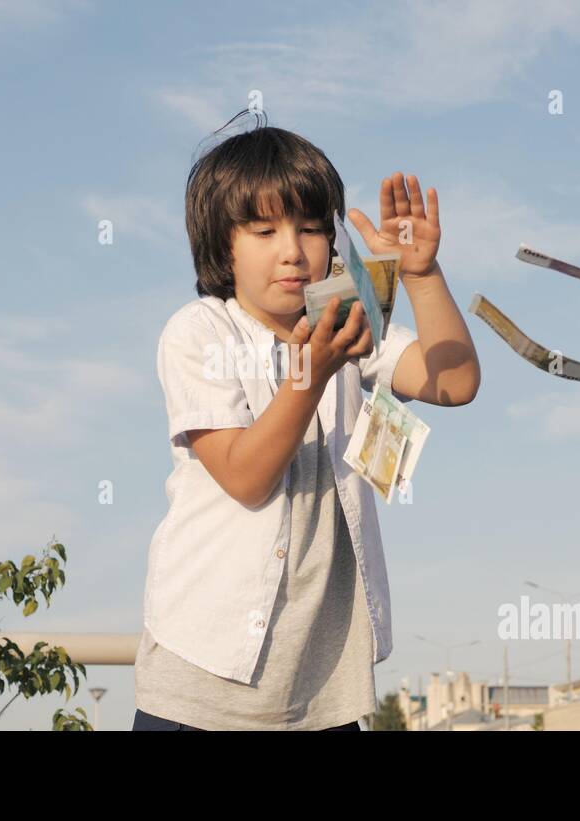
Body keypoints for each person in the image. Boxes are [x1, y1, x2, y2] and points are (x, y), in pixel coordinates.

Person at [133, 113, 481, 730]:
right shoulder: (200, 332)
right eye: (263, 230)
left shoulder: (353, 331)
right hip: (202, 690)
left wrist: (422, 275)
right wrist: (311, 374)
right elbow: (246, 476)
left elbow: (454, 381)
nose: (292, 250)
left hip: (323, 696)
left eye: (313, 228)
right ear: (222, 246)